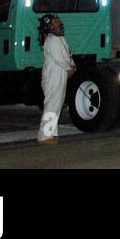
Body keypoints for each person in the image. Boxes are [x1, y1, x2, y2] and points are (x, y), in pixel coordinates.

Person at [38, 14, 74, 145]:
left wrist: (71, 65)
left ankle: (52, 133)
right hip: (53, 76)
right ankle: (45, 135)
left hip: (59, 75)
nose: (59, 24)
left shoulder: (59, 39)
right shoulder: (52, 40)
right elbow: (60, 59)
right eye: (56, 22)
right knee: (52, 104)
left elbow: (67, 54)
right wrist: (69, 68)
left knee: (57, 104)